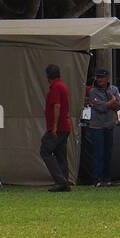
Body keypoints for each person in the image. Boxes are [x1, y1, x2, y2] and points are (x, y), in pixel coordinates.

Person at [40, 63, 73, 192]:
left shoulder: (55, 87)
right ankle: (64, 180)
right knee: (60, 153)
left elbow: (57, 106)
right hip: (65, 126)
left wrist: (54, 127)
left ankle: (61, 181)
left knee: (45, 151)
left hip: (58, 127)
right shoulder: (62, 86)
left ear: (48, 76)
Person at [86, 68, 120, 187]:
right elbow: (100, 108)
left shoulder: (114, 89)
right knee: (98, 153)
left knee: (108, 153)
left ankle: (107, 179)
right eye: (98, 77)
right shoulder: (93, 91)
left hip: (109, 125)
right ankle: (97, 179)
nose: (99, 79)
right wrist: (111, 102)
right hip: (97, 126)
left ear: (107, 78)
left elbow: (118, 106)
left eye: (101, 77)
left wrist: (110, 103)